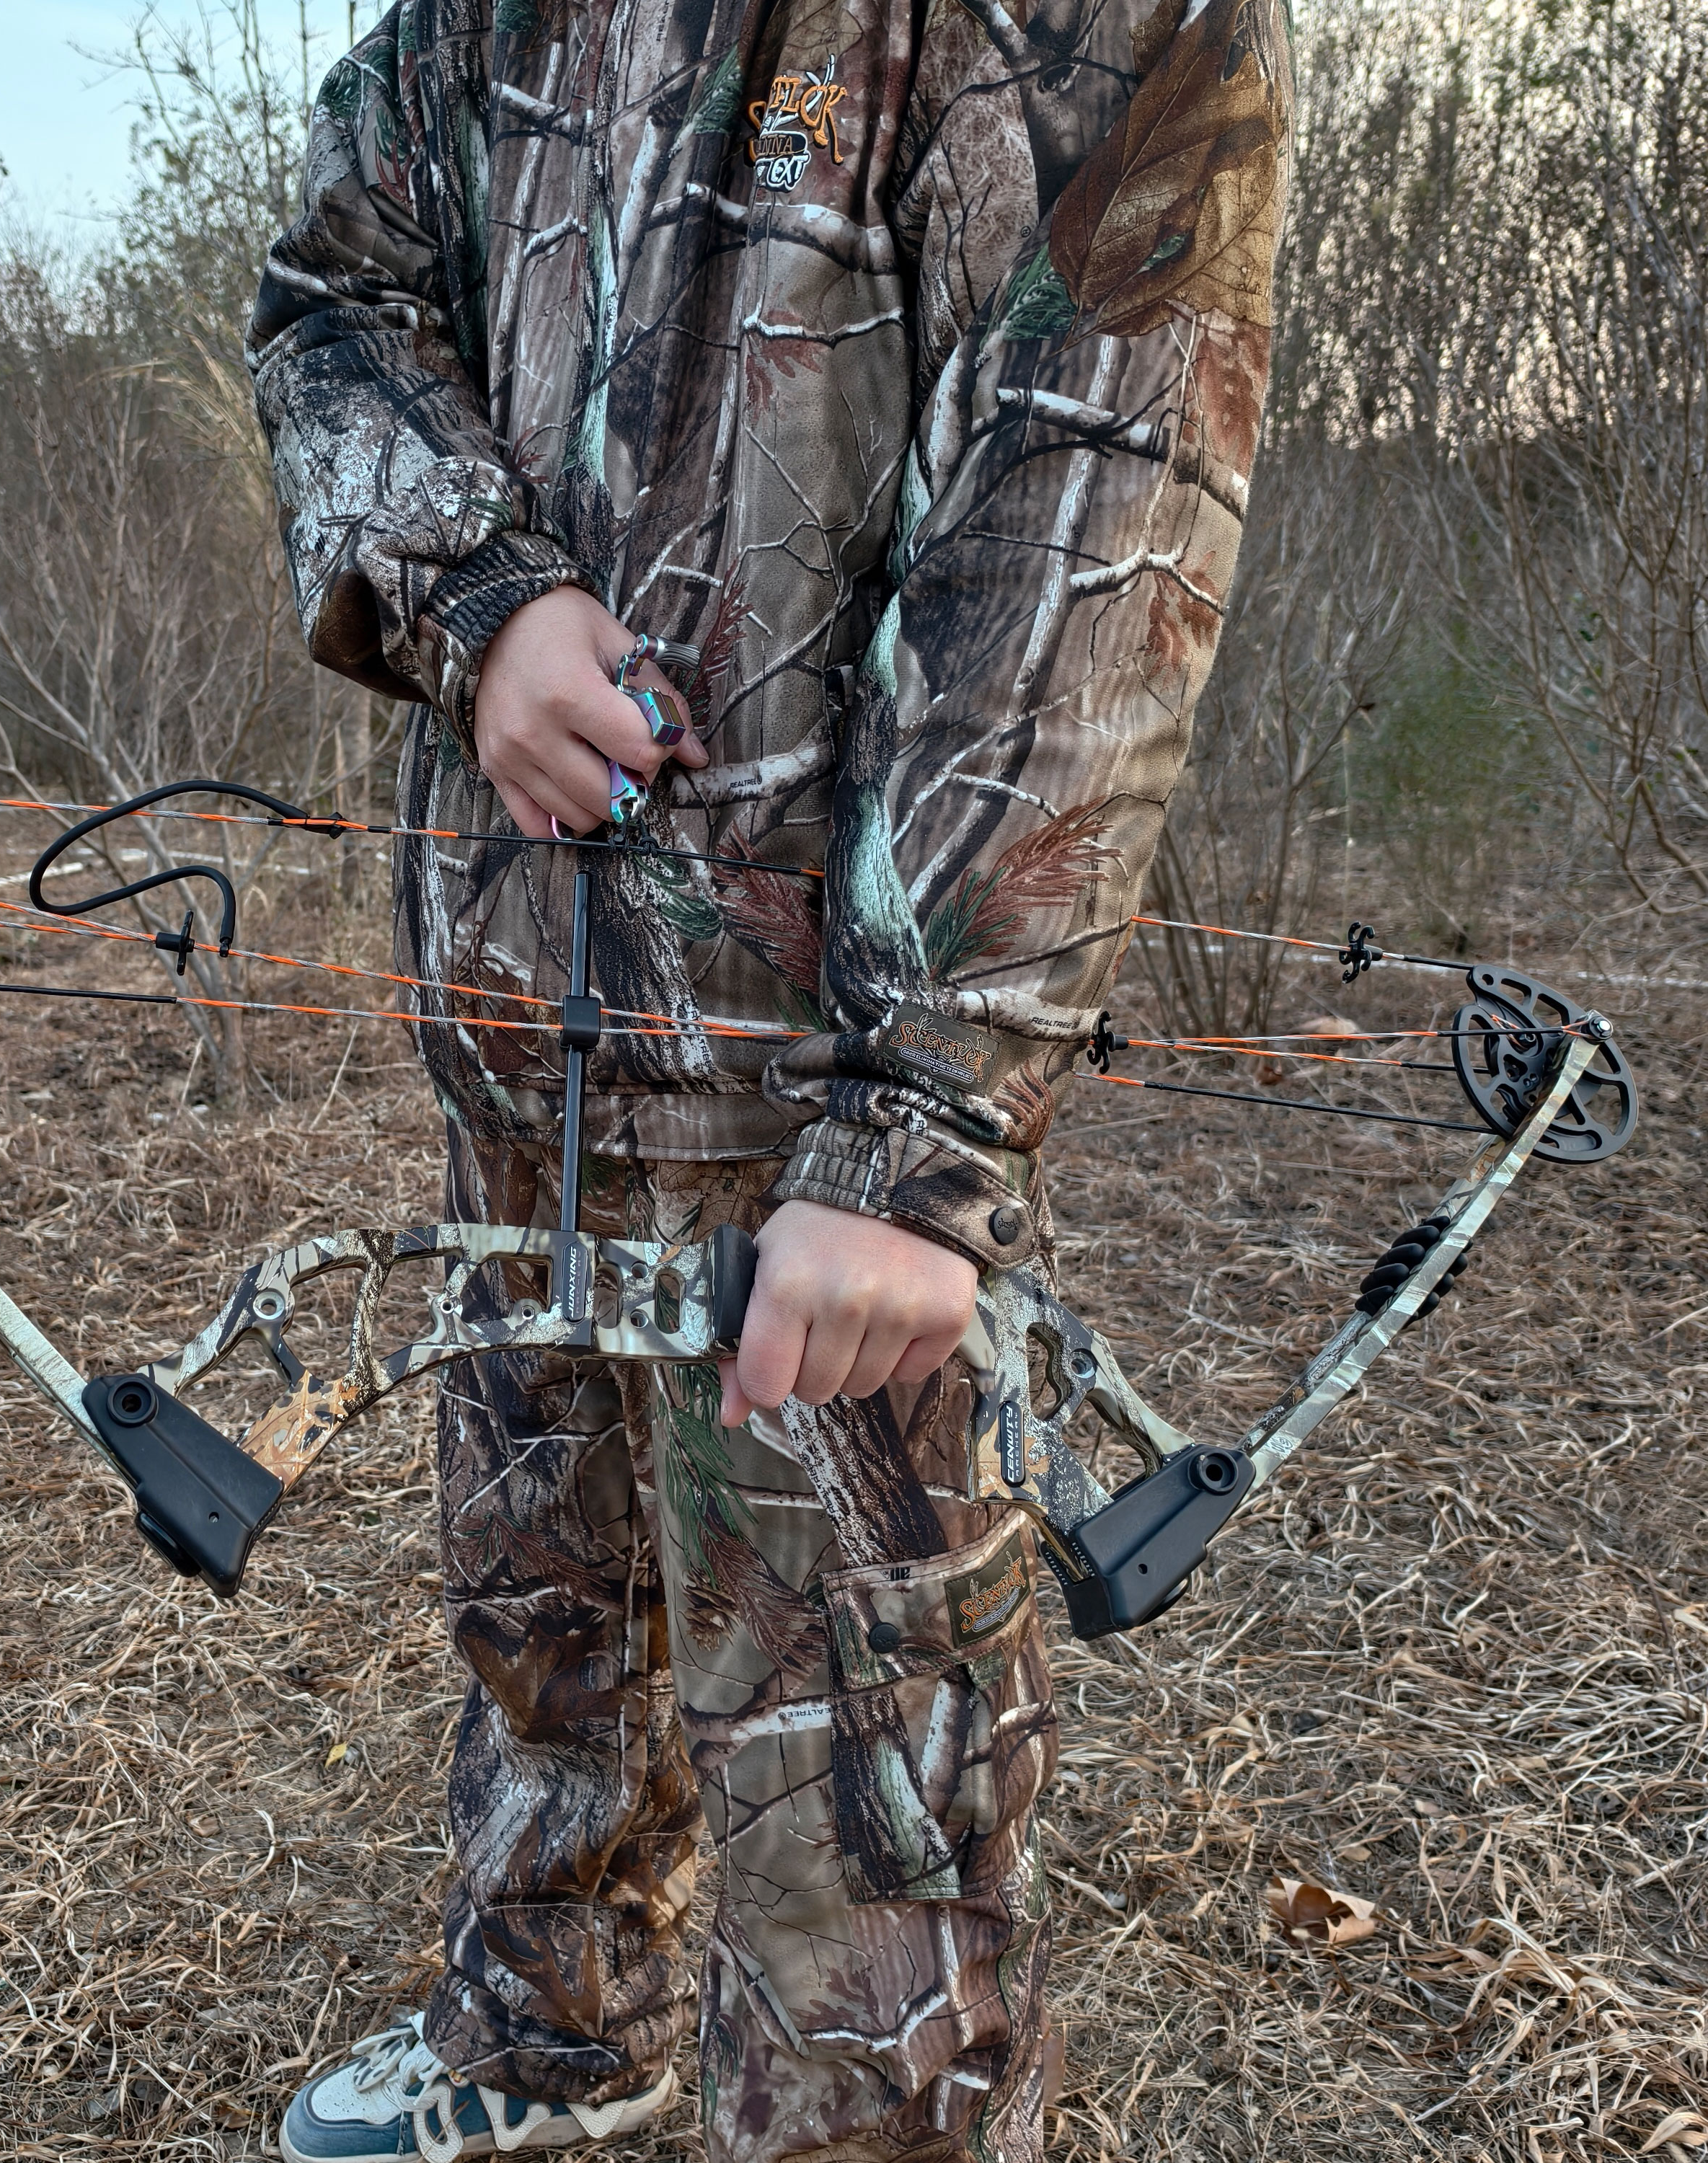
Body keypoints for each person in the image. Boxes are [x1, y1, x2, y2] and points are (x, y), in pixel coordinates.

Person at [247, 1, 1291, 2157]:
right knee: (543, 1608)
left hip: (825, 1101)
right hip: (522, 1025)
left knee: (864, 1797)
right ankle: (555, 2029)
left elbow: (1097, 513)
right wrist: (484, 599)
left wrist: (920, 1126)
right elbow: (332, 301)